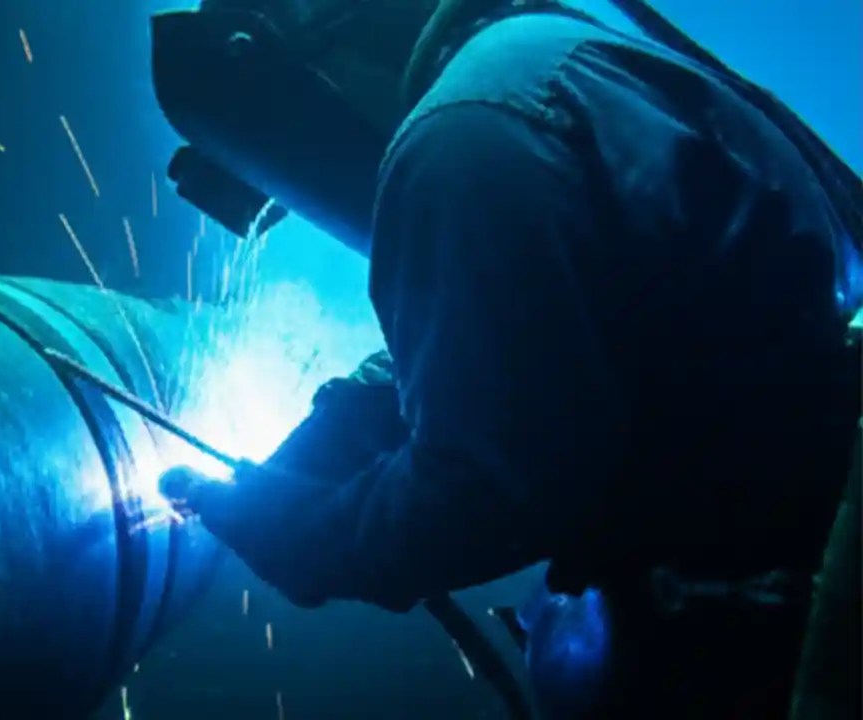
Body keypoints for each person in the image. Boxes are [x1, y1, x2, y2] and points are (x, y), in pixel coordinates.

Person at [152, 0, 862, 717]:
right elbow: (535, 306)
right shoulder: (549, 60)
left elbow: (482, 494)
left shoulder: (464, 133)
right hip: (790, 526)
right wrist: (350, 415)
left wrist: (294, 531)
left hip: (772, 620)